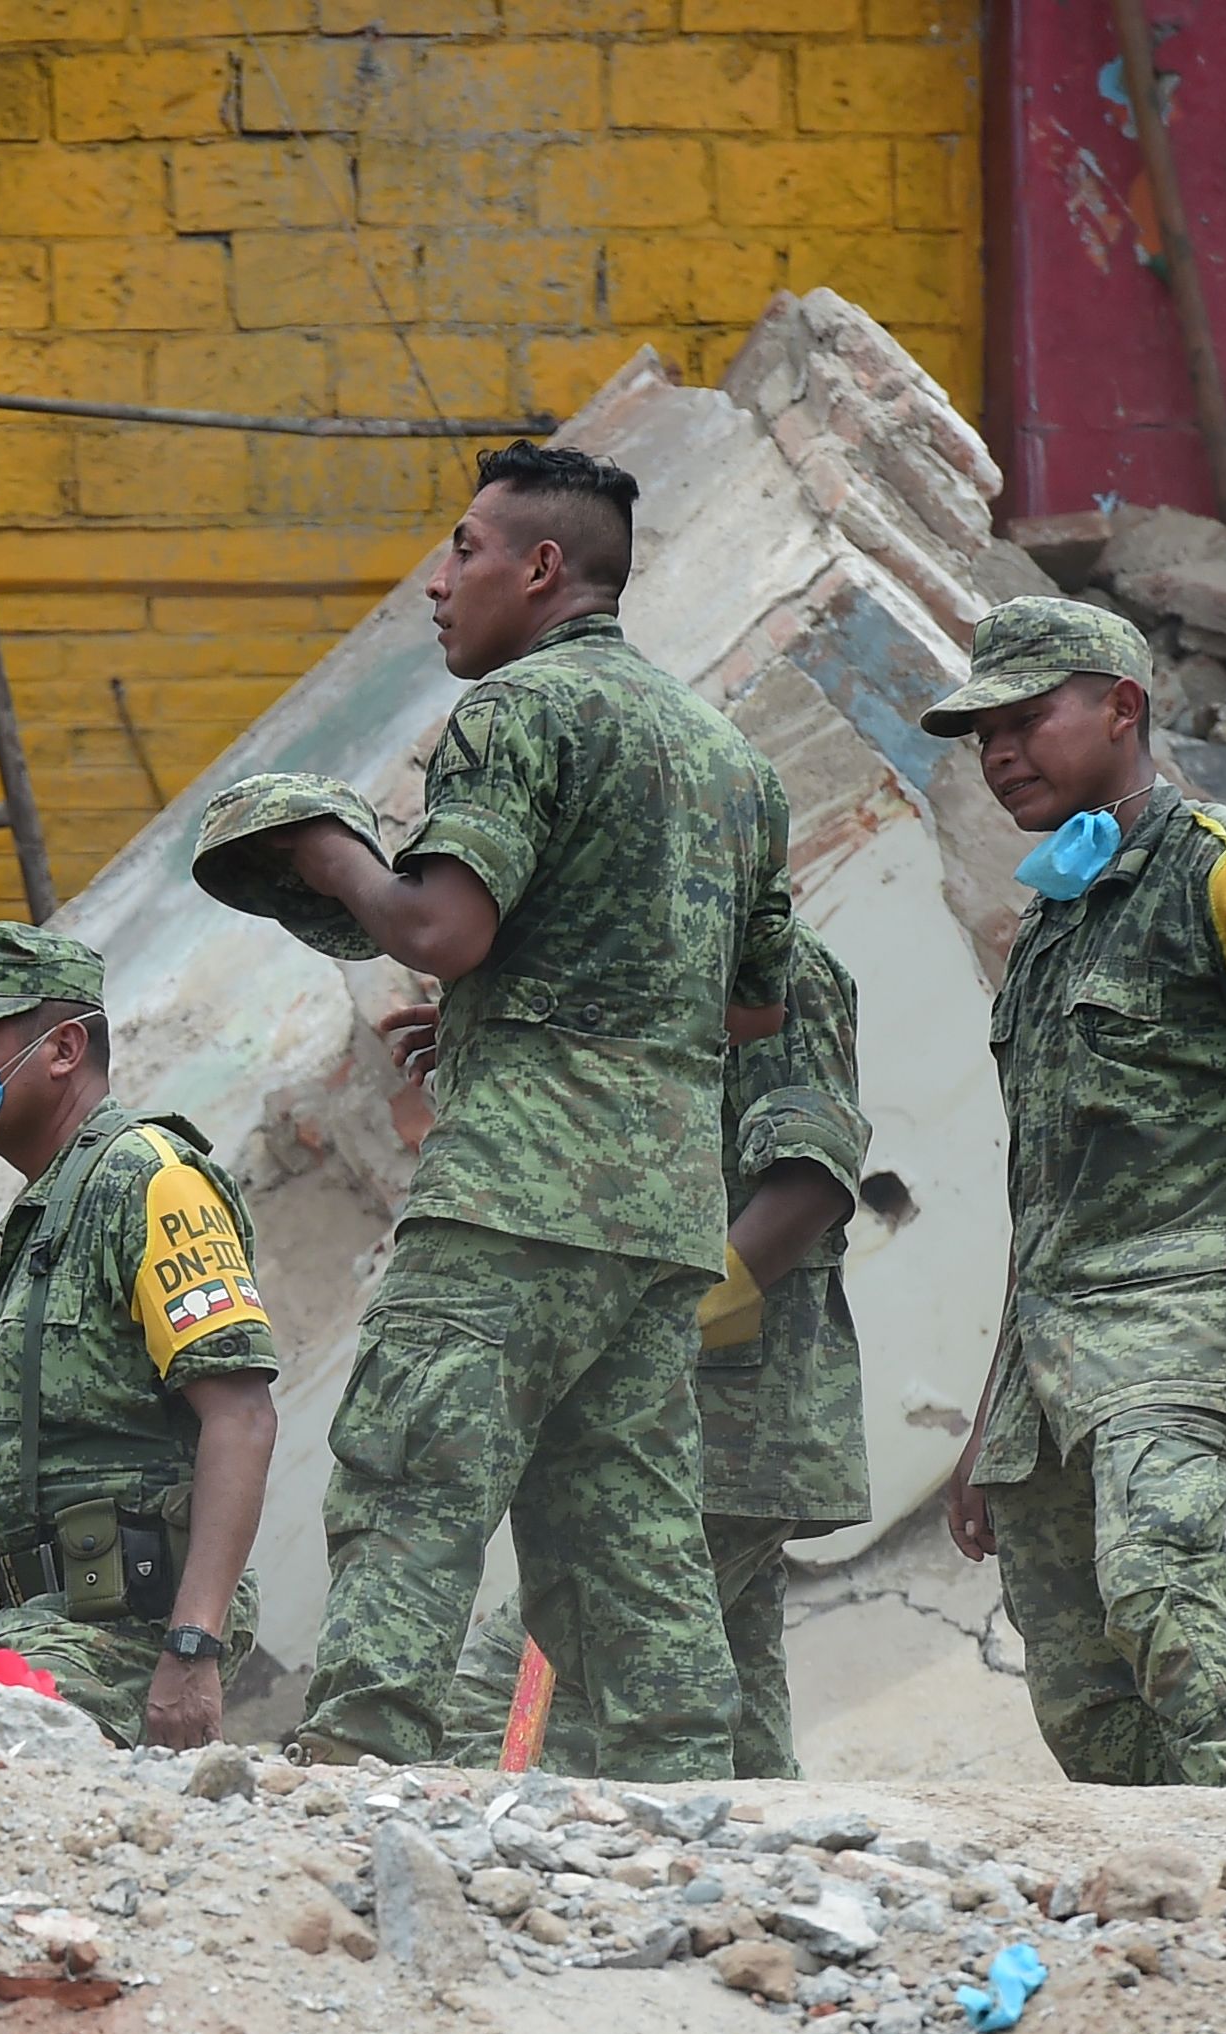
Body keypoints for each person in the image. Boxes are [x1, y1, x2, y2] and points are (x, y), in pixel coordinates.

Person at [194, 439, 793, 1782]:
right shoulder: (728, 758)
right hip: (659, 1216)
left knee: (415, 1471)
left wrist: (324, 846)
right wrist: (533, 999)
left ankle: (361, 1758)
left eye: (462, 549)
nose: (438, 580)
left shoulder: (519, 714)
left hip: (512, 1198)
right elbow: (753, 1002)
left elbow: (438, 924)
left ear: (539, 569)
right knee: (625, 1519)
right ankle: (687, 1788)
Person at [930, 597, 1226, 1789]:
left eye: (1028, 718)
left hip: (1180, 1316)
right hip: (1047, 1359)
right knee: (1081, 1690)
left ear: (1123, 708)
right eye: (983, 734)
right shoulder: (1050, 924)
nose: (1000, 752)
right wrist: (985, 1418)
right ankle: (1172, 1922)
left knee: (1158, 1578)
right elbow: (1043, 1193)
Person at [440, 922, 873, 1778]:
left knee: (509, 1714)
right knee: (727, 1732)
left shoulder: (774, 966)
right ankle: (750, 1900)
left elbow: (813, 1174)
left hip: (715, 1428)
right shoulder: (625, 962)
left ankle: (513, 1905)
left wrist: (637, 1340)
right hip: (672, 1435)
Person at [0, 922, 278, 1750]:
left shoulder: (150, 1180)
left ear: (64, 1047)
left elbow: (241, 1416)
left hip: (129, 1627)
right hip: (42, 1618)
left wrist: (191, 1644)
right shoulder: (48, 1208)